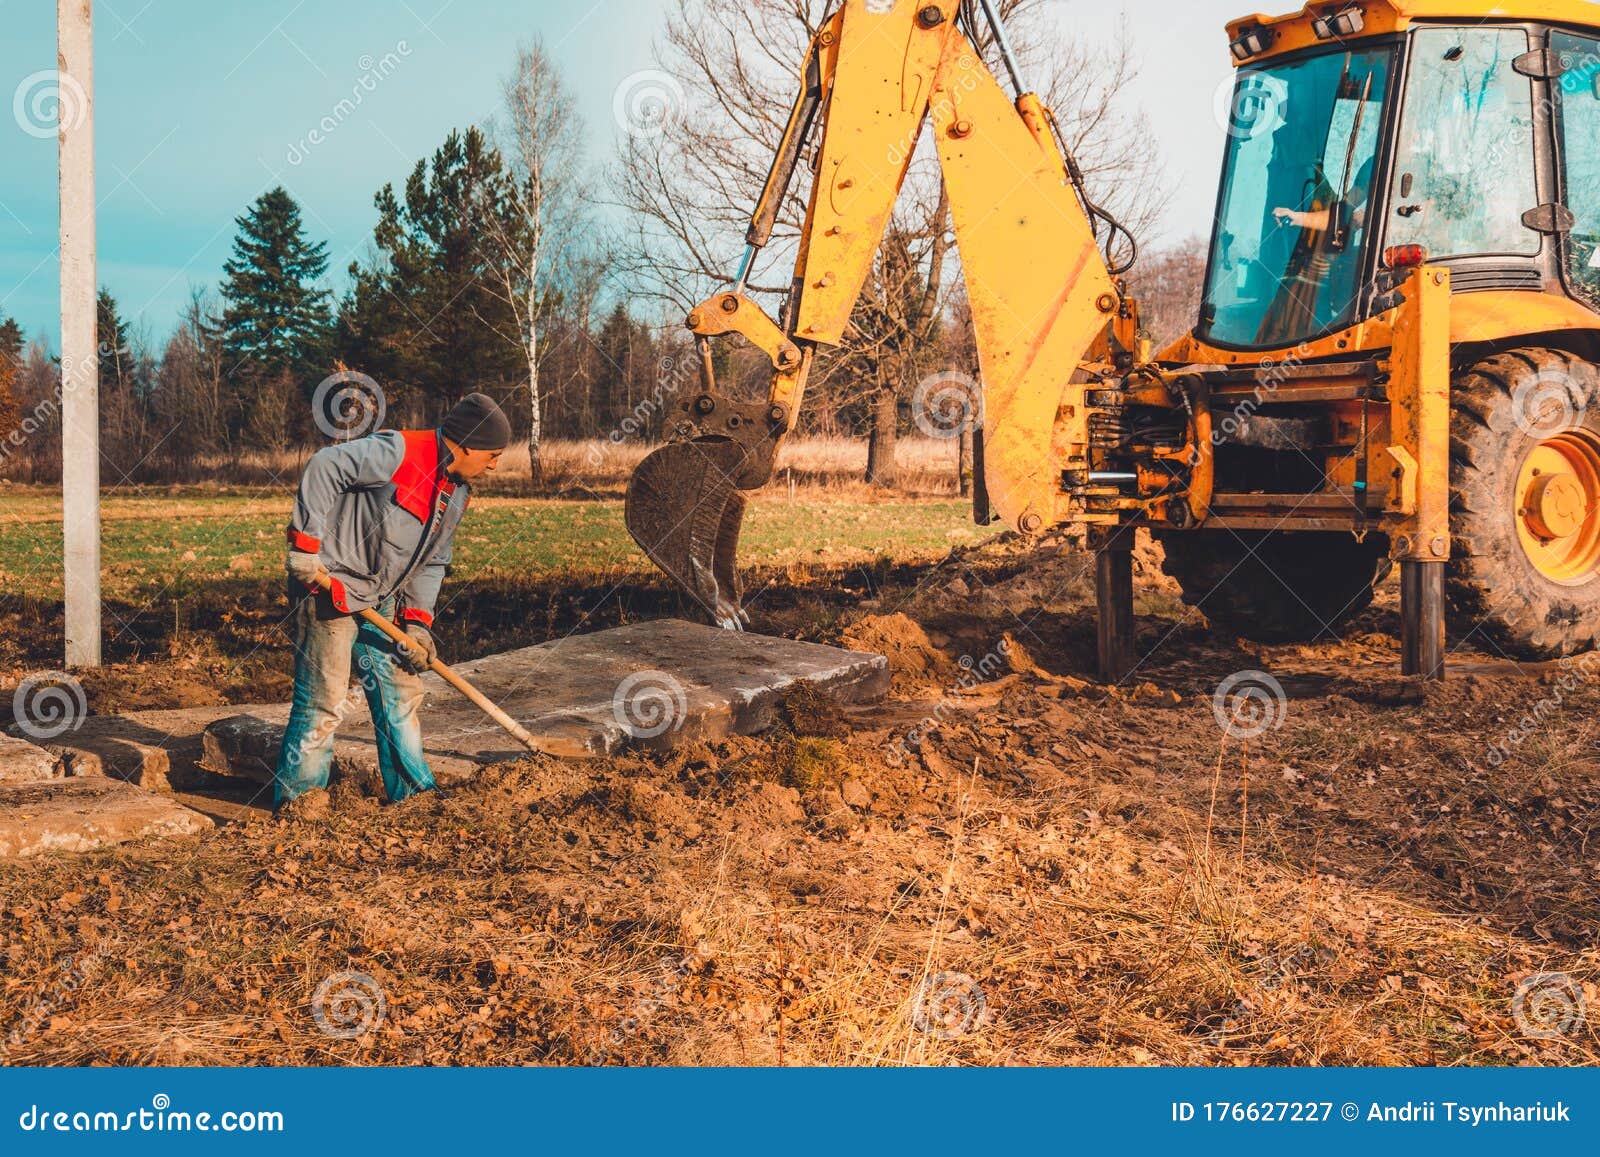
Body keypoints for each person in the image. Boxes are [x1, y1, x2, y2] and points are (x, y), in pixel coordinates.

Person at [273, 393, 511, 812]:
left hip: (380, 597)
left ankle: (414, 798)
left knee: (398, 693)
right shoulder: (399, 452)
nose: (495, 463)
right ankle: (301, 808)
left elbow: (434, 559)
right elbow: (324, 465)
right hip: (329, 587)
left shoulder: (456, 491)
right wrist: (306, 545)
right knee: (323, 702)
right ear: (469, 444)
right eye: (493, 454)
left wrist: (417, 622)